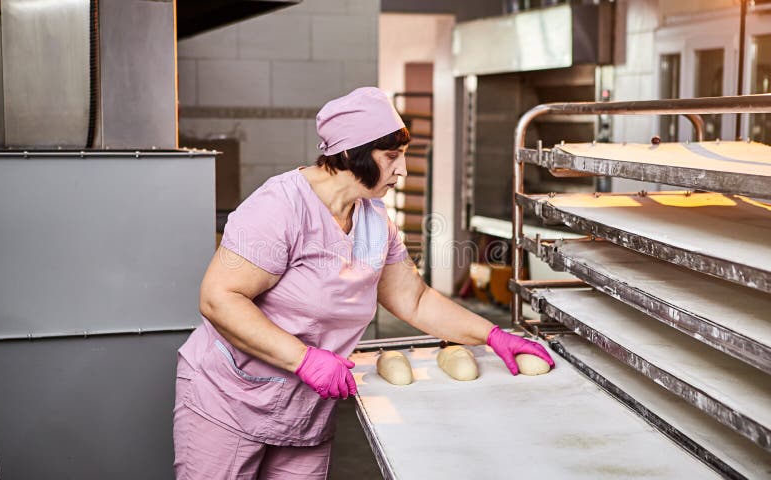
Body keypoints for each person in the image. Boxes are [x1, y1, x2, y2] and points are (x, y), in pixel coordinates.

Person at [173, 87, 554, 479]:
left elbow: (415, 300)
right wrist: (303, 359)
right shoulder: (279, 208)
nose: (402, 170)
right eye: (392, 157)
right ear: (346, 153)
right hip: (229, 400)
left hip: (304, 411)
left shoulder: (373, 219)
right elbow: (219, 298)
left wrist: (491, 335)